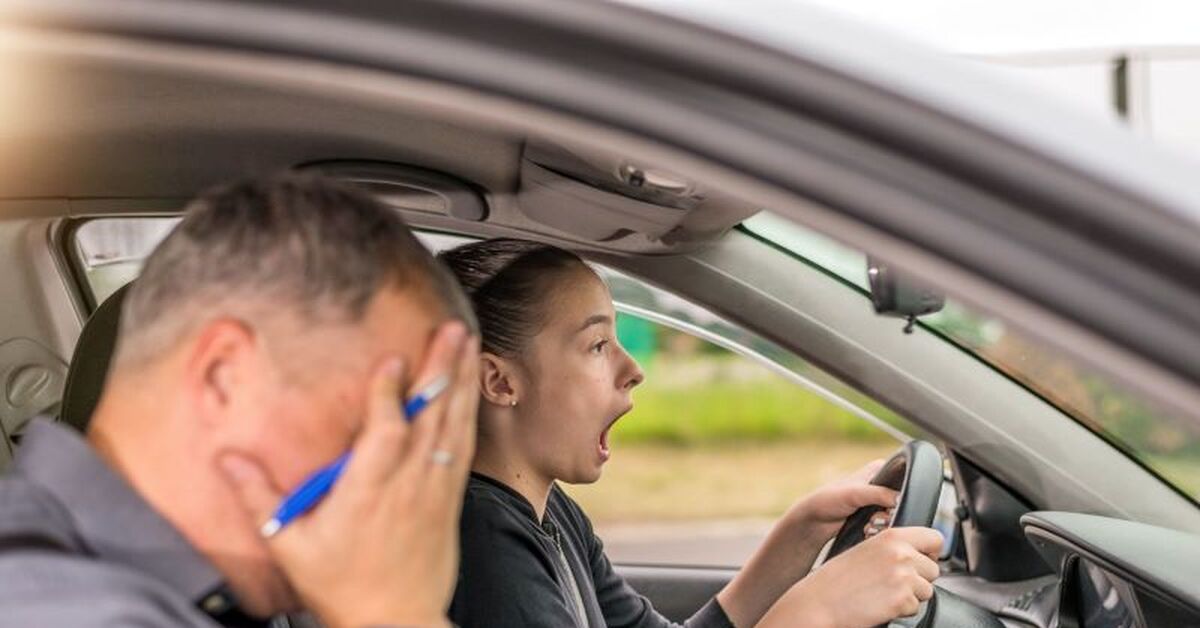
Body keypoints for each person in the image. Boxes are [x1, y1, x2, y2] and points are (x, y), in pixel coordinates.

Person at [0, 173, 481, 627]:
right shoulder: (52, 604)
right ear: (223, 377)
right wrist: (392, 613)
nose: (406, 496)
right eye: (381, 430)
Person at [439, 238, 942, 628]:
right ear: (500, 381)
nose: (633, 368)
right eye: (596, 345)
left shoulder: (550, 513)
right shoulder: (481, 538)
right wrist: (822, 610)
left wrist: (804, 530)